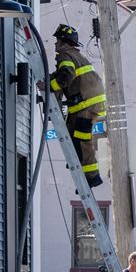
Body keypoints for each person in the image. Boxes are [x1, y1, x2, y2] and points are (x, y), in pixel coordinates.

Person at [49, 24, 107, 187]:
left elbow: (67, 75)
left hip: (85, 105)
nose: (55, 44)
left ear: (64, 43)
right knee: (75, 135)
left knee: (82, 140)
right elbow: (63, 75)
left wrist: (48, 86)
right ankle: (79, 162)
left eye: (57, 40)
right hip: (90, 104)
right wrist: (50, 80)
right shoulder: (76, 56)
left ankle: (91, 176)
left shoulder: (65, 55)